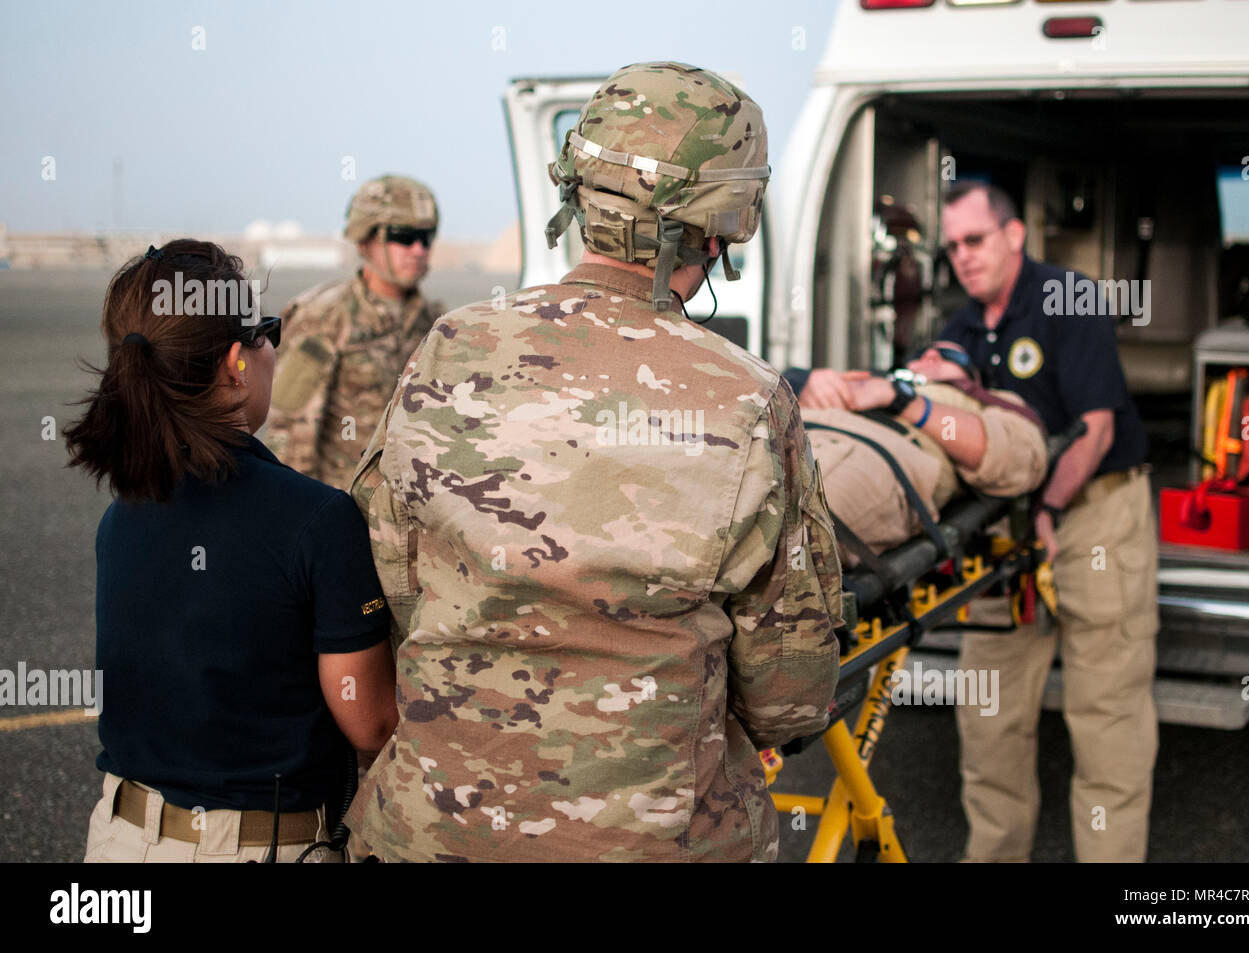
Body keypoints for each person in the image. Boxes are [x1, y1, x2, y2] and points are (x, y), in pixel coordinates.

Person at [344, 61, 843, 863]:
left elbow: (394, 582)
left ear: (577, 190)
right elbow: (791, 698)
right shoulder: (748, 400)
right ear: (721, 226)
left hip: (430, 835)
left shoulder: (448, 348)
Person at [66, 240, 399, 862]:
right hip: (250, 848)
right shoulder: (318, 521)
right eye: (267, 332)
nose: (276, 347)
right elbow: (371, 722)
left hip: (118, 838)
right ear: (234, 364)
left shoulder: (123, 513)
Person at [936, 181, 1158, 863]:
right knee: (990, 721)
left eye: (975, 240)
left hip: (1094, 512)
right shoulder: (959, 327)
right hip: (1008, 532)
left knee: (1107, 722)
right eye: (951, 248)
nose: (963, 258)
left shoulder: (1073, 297)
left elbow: (1093, 429)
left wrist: (1051, 511)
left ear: (1013, 235)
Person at [786, 343, 1047, 561]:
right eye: (920, 353)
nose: (930, 355)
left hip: (872, 453)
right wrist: (803, 382)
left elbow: (1016, 461)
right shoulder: (865, 378)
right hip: (793, 430)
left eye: (950, 356)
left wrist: (902, 400)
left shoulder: (982, 403)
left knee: (778, 528)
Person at [263, 175, 442, 490]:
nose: (418, 249)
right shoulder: (324, 317)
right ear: (364, 239)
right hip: (345, 510)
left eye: (426, 238)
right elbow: (291, 432)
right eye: (403, 236)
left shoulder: (436, 322)